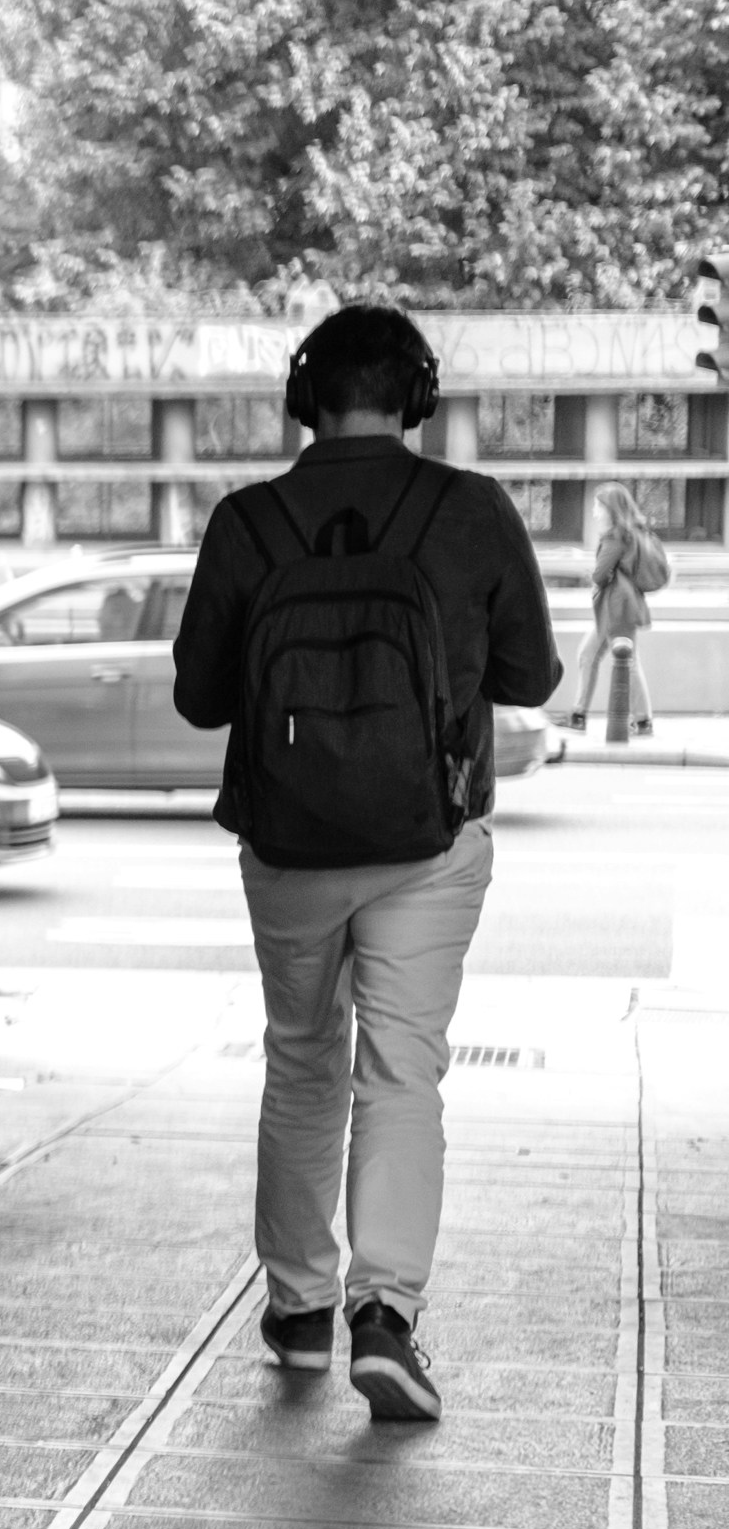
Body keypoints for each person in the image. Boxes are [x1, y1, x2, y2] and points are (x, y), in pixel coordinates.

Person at [169, 303, 559, 1420]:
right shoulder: (470, 509)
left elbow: (201, 699)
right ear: (417, 398)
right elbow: (528, 679)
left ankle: (295, 1309)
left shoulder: (248, 522)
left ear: (304, 398)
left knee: (301, 1062)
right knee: (402, 1070)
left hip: (286, 846)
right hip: (428, 843)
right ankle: (381, 1313)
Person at [558, 484, 671, 735]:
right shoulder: (634, 532)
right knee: (587, 655)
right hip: (620, 607)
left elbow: (599, 575)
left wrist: (593, 572)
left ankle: (642, 721)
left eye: (598, 506)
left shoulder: (616, 536)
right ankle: (578, 716)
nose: (595, 511)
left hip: (617, 607)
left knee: (627, 663)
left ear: (610, 509)